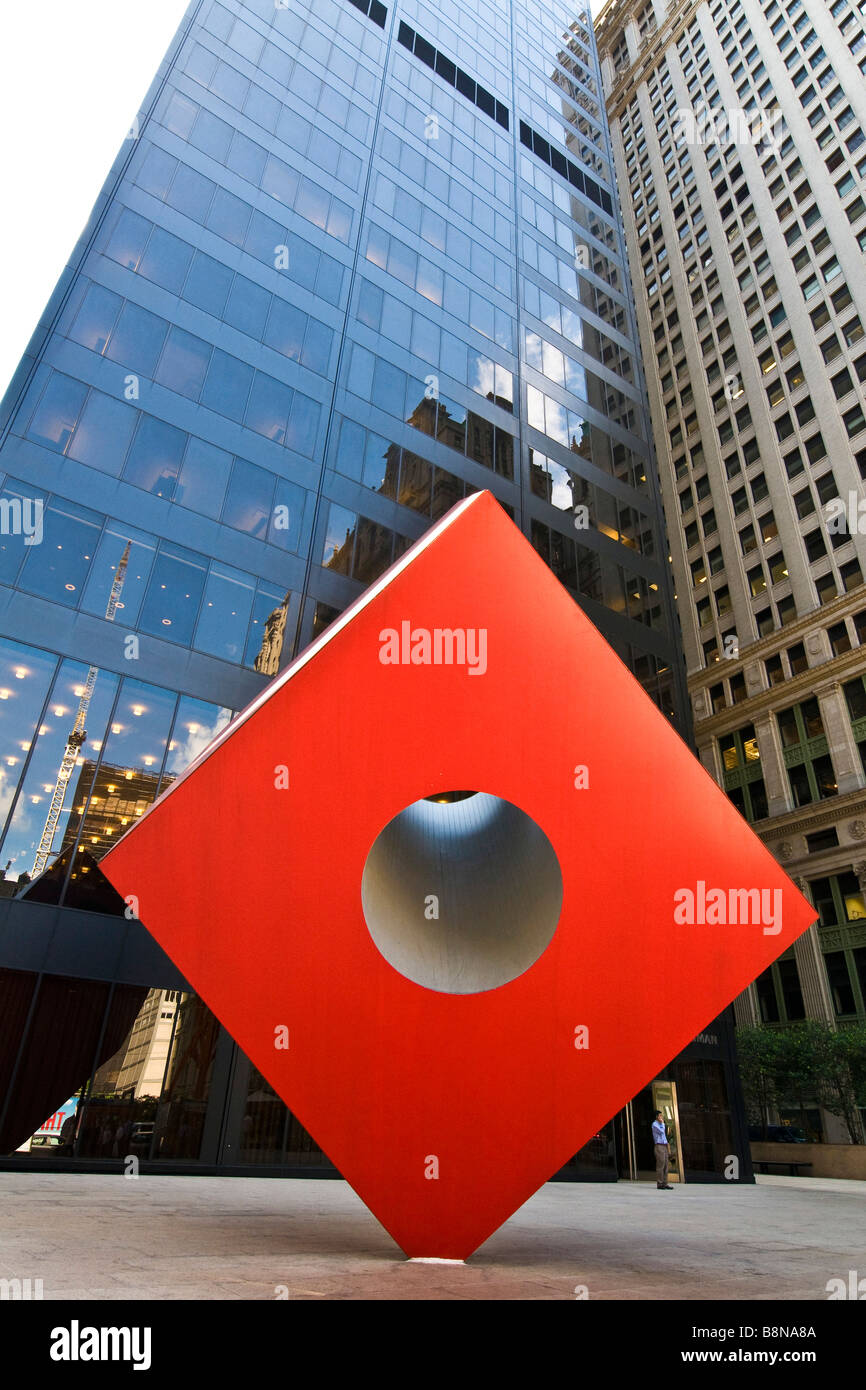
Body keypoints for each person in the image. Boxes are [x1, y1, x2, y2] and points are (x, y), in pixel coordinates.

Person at [652, 1110, 673, 1189]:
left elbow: (664, 1136)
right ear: (657, 1117)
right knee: (661, 1165)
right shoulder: (654, 1124)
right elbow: (661, 1131)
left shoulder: (661, 1124)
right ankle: (660, 1183)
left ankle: (665, 1183)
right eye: (660, 1116)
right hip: (659, 1146)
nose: (662, 1117)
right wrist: (662, 1123)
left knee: (666, 1165)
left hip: (664, 1145)